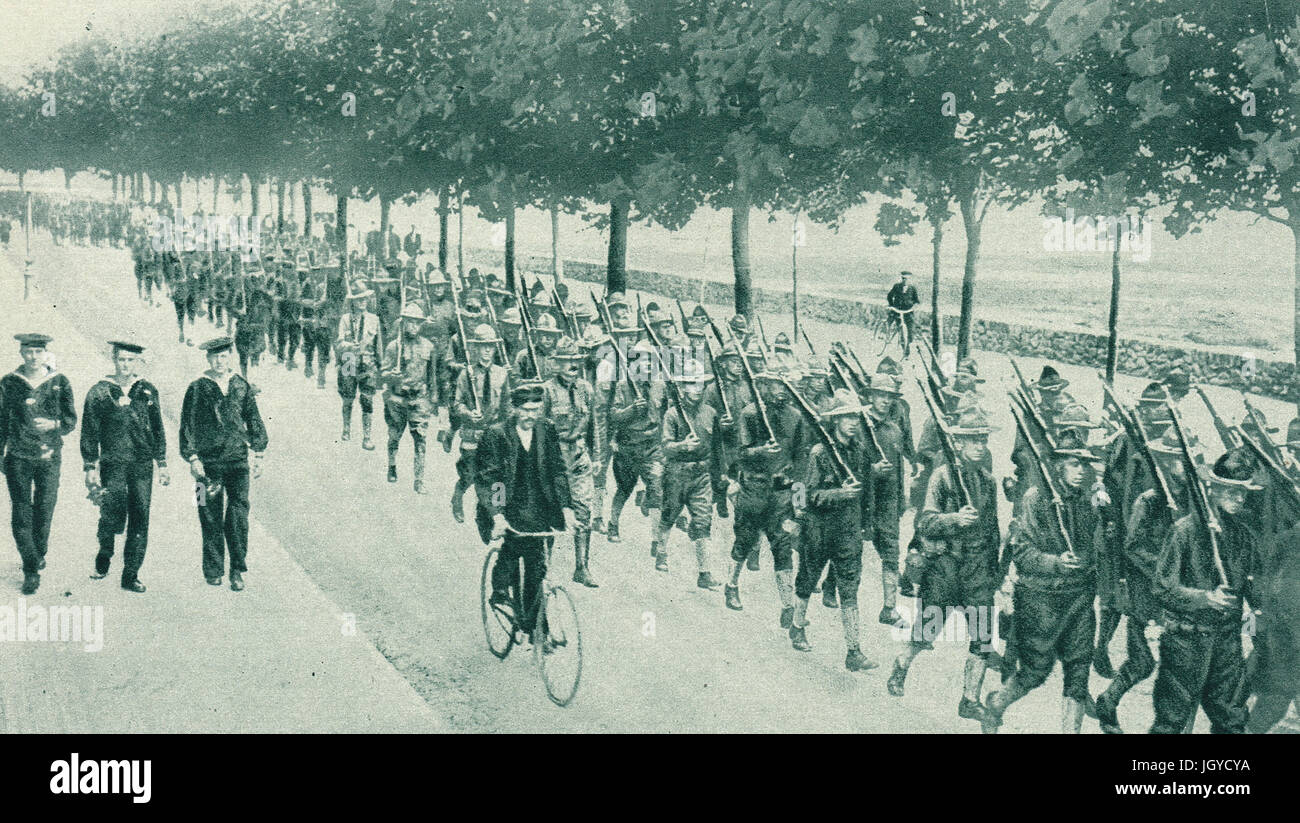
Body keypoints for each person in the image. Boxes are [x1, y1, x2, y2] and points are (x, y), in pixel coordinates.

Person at [981, 427, 1102, 734]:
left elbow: (1094, 547)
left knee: (1078, 672)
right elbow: (1021, 552)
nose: (1081, 470)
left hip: (1079, 598)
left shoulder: (1087, 501)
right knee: (1035, 672)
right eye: (1074, 464)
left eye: (1084, 464)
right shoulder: (1035, 499)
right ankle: (997, 703)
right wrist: (1056, 562)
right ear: (1058, 465)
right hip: (1041, 599)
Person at [888, 406, 1000, 720]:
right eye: (973, 439)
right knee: (927, 631)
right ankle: (900, 668)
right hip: (945, 565)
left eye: (983, 439)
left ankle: (969, 699)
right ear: (959, 443)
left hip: (977, 568)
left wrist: (995, 574)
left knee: (983, 638)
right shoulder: (942, 476)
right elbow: (925, 522)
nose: (979, 445)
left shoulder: (988, 481)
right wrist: (954, 519)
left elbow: (992, 529)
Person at [1148, 448, 1261, 734]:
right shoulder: (1184, 531)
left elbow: (1251, 590)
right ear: (1214, 489)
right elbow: (1162, 587)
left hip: (1227, 644)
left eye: (1243, 492)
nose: (1238, 498)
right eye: (1231, 491)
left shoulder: (1243, 536)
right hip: (1187, 640)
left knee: (1232, 722)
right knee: (1171, 724)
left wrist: (1255, 623)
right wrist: (1205, 598)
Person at [1093, 426, 1191, 733]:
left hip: (1183, 594)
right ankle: (1108, 701)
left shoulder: (1192, 499)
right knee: (1142, 663)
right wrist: (1165, 572)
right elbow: (1133, 547)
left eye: (1185, 460)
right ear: (1162, 462)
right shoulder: (1148, 502)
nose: (1182, 467)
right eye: (1175, 460)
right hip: (1146, 591)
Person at [477, 382, 577, 636]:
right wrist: (498, 516)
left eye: (536, 409)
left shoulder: (547, 430)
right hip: (507, 505)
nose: (531, 415)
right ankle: (500, 591)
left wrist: (566, 508)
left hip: (540, 505)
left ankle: (533, 625)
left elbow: (557, 471)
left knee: (537, 566)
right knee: (513, 548)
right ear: (514, 409)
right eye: (525, 410)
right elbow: (493, 478)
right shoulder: (497, 434)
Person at [789, 389, 879, 671]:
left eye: (854, 415)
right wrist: (840, 494)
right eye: (845, 416)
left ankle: (854, 651)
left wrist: (867, 523)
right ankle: (796, 626)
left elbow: (867, 492)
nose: (852, 421)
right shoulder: (819, 453)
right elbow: (807, 494)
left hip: (849, 531)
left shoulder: (861, 451)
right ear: (835, 420)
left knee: (850, 590)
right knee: (807, 580)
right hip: (819, 529)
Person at [179, 337, 269, 590]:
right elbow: (186, 425)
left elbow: (254, 419)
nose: (220, 361)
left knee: (239, 516)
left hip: (238, 462)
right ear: (208, 359)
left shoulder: (241, 385)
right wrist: (192, 458)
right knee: (207, 515)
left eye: (224, 356)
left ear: (230, 357)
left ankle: (237, 570)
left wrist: (258, 453)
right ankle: (213, 569)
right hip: (205, 467)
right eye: (215, 357)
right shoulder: (197, 387)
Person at [80, 342, 169, 593]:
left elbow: (158, 428)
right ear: (114, 360)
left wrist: (161, 462)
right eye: (121, 360)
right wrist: (90, 465)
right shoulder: (99, 392)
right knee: (112, 512)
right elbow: (90, 430)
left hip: (141, 464)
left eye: (130, 360)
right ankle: (105, 551)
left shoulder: (147, 391)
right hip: (113, 464)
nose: (126, 365)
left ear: (137, 362)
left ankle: (131, 574)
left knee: (140, 516)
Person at [723, 364, 805, 625]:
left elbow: (802, 461)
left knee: (782, 548)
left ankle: (787, 605)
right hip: (754, 488)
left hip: (782, 493)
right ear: (765, 385)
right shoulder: (750, 414)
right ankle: (731, 584)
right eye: (775, 385)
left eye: (784, 385)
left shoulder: (796, 417)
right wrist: (760, 452)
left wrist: (799, 502)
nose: (780, 390)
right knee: (745, 541)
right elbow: (741, 454)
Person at [0, 334, 78, 595]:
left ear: (46, 354)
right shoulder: (10, 383)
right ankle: (30, 569)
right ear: (21, 353)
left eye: (37, 352)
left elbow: (70, 419)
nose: (32, 357)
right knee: (21, 511)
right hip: (19, 457)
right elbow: (1, 421)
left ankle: (38, 551)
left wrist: (55, 424)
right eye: (28, 352)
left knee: (45, 508)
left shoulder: (59, 382)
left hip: (49, 456)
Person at [658, 362, 724, 589]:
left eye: (699, 384)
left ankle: (704, 573)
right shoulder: (672, 414)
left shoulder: (710, 413)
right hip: (677, 472)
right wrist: (683, 446)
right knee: (669, 515)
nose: (696, 389)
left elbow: (717, 448)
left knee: (703, 521)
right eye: (691, 385)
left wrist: (720, 475)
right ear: (683, 388)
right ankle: (661, 552)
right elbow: (666, 447)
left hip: (702, 475)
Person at [541, 338, 599, 587]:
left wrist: (597, 457)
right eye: (567, 362)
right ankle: (543, 567)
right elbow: (540, 430)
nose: (572, 366)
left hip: (579, 458)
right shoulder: (547, 391)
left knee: (584, 513)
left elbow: (595, 425)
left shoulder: (586, 389)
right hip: (555, 461)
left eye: (575, 361)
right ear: (557, 365)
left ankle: (581, 566)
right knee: (551, 514)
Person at [451, 324, 511, 528]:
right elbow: (456, 404)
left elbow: (507, 407)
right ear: (475, 349)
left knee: (498, 476)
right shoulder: (466, 374)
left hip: (493, 433)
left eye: (491, 347)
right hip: (472, 433)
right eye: (483, 346)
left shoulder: (502, 374)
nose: (487, 351)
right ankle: (457, 497)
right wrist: (468, 413)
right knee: (469, 474)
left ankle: (498, 512)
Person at [381, 303, 437, 492]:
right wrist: (392, 376)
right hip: (397, 399)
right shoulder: (393, 346)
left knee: (420, 440)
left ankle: (419, 479)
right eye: (410, 323)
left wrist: (433, 399)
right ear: (403, 323)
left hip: (419, 400)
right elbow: (383, 374)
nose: (413, 327)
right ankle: (392, 465)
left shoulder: (429, 347)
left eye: (417, 323)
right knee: (394, 435)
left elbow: (432, 376)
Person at [336, 284, 381, 449]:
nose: (362, 302)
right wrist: (349, 345)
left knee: (367, 400)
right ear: (353, 302)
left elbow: (378, 346)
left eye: (364, 298)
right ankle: (346, 428)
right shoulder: (345, 319)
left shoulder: (374, 320)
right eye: (358, 299)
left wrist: (380, 366)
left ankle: (367, 436)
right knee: (348, 398)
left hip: (368, 363)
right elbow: (339, 343)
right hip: (349, 360)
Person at [886, 271, 920, 356]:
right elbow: (890, 295)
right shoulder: (897, 286)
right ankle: (906, 354)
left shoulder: (913, 288)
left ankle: (907, 345)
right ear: (901, 279)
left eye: (907, 279)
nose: (905, 280)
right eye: (903, 278)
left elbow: (917, 301)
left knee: (910, 335)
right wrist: (891, 306)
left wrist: (914, 307)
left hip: (909, 313)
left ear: (910, 279)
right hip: (898, 312)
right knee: (902, 333)